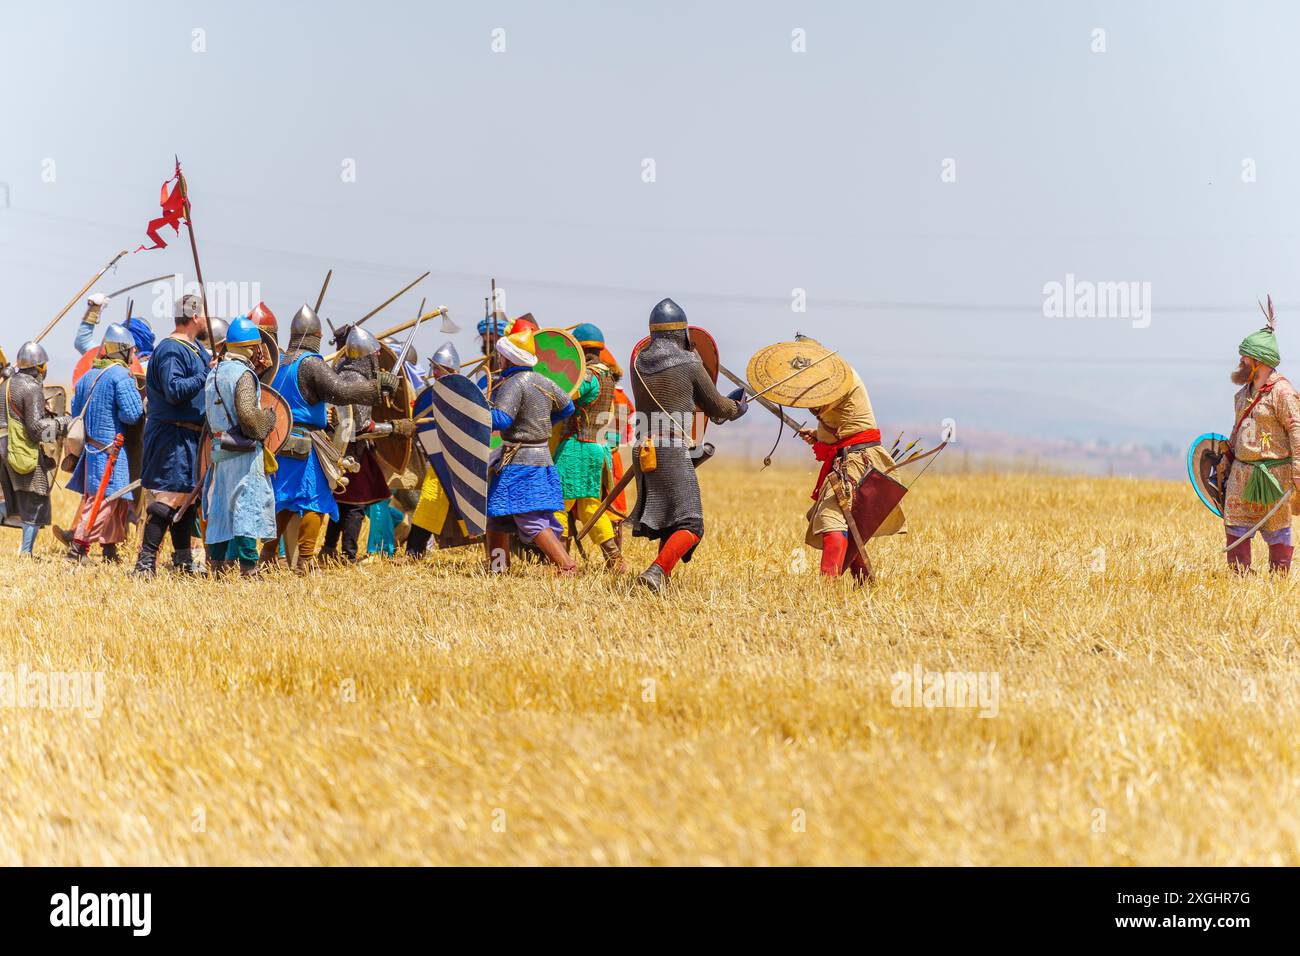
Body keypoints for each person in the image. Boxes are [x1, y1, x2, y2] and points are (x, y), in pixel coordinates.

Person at [628, 298, 747, 593]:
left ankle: (660, 582)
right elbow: (717, 407)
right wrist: (736, 408)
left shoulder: (639, 362)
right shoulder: (689, 363)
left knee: (670, 521)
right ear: (681, 332)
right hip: (669, 450)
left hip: (644, 449)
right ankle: (656, 572)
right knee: (691, 524)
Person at [267, 305, 396, 570]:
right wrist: (374, 388)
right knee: (315, 500)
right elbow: (340, 391)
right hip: (305, 442)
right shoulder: (310, 363)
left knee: (286, 502)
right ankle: (304, 560)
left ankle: (267, 555)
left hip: (281, 441)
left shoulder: (282, 362)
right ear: (316, 335)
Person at [799, 361, 906, 582]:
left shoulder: (839, 377)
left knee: (833, 519)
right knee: (849, 521)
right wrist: (820, 435)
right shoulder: (831, 379)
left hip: (856, 460)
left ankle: (827, 588)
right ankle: (863, 582)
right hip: (851, 457)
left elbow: (820, 406)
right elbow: (845, 421)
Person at [483, 327, 577, 574]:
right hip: (539, 457)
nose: (499, 361)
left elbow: (502, 420)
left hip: (521, 462)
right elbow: (567, 408)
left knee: (529, 518)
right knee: (497, 515)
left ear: (510, 358)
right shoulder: (544, 381)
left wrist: (477, 415)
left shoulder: (514, 383)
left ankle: (566, 567)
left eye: (502, 357)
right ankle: (497, 568)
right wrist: (543, 423)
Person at [133, 294, 211, 575]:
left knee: (187, 499)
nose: (206, 320)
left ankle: (182, 560)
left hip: (191, 436)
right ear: (194, 317)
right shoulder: (170, 350)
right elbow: (174, 390)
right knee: (170, 497)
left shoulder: (197, 350)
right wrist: (206, 375)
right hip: (172, 436)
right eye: (203, 315)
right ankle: (144, 563)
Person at [318, 327, 408, 563]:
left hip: (336, 450)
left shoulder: (338, 373)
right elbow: (360, 426)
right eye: (374, 354)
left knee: (343, 502)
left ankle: (328, 549)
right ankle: (347, 554)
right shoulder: (357, 380)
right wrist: (394, 428)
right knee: (355, 505)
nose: (378, 357)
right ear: (366, 356)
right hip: (352, 452)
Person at [1223, 299, 1300, 573]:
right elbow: (1237, 432)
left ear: (1259, 361)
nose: (1241, 360)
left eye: (1246, 356)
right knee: (1234, 526)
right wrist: (1224, 460)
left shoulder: (1283, 393)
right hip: (1240, 474)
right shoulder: (1242, 395)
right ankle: (1238, 585)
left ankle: (1277, 587)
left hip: (1273, 476)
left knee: (1277, 530)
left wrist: (1298, 472)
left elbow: (1297, 431)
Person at [201, 317, 277, 576]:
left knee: (221, 509)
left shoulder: (214, 372)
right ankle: (249, 568)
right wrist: (266, 422)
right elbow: (248, 416)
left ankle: (217, 567)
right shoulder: (243, 375)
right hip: (243, 453)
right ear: (250, 347)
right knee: (247, 507)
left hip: (220, 450)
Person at [65, 324, 146, 563]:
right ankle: (78, 548)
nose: (133, 355)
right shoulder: (120, 376)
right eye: (130, 350)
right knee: (103, 500)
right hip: (111, 450)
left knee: (116, 500)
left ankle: (109, 550)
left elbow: (76, 411)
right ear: (122, 351)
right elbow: (132, 415)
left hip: (91, 449)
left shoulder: (87, 376)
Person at [553, 323, 625, 570]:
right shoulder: (608, 376)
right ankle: (615, 560)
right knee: (589, 507)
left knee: (559, 502)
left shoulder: (587, 377)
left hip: (577, 448)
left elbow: (562, 397)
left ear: (579, 352)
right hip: (598, 448)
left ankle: (560, 562)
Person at [0, 342, 71, 556]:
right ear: (39, 367)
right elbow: (36, 430)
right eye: (43, 366)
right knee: (36, 495)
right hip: (18, 448)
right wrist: (63, 424)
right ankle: (26, 552)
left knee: (10, 499)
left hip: (2, 446)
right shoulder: (31, 387)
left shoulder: (6, 383)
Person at [406, 341, 471, 557]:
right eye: (433, 368)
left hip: (462, 460)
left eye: (437, 368)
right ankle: (414, 552)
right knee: (429, 504)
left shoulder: (464, 393)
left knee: (473, 508)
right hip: (440, 459)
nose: (433, 372)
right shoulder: (431, 393)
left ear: (449, 371)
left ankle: (500, 553)